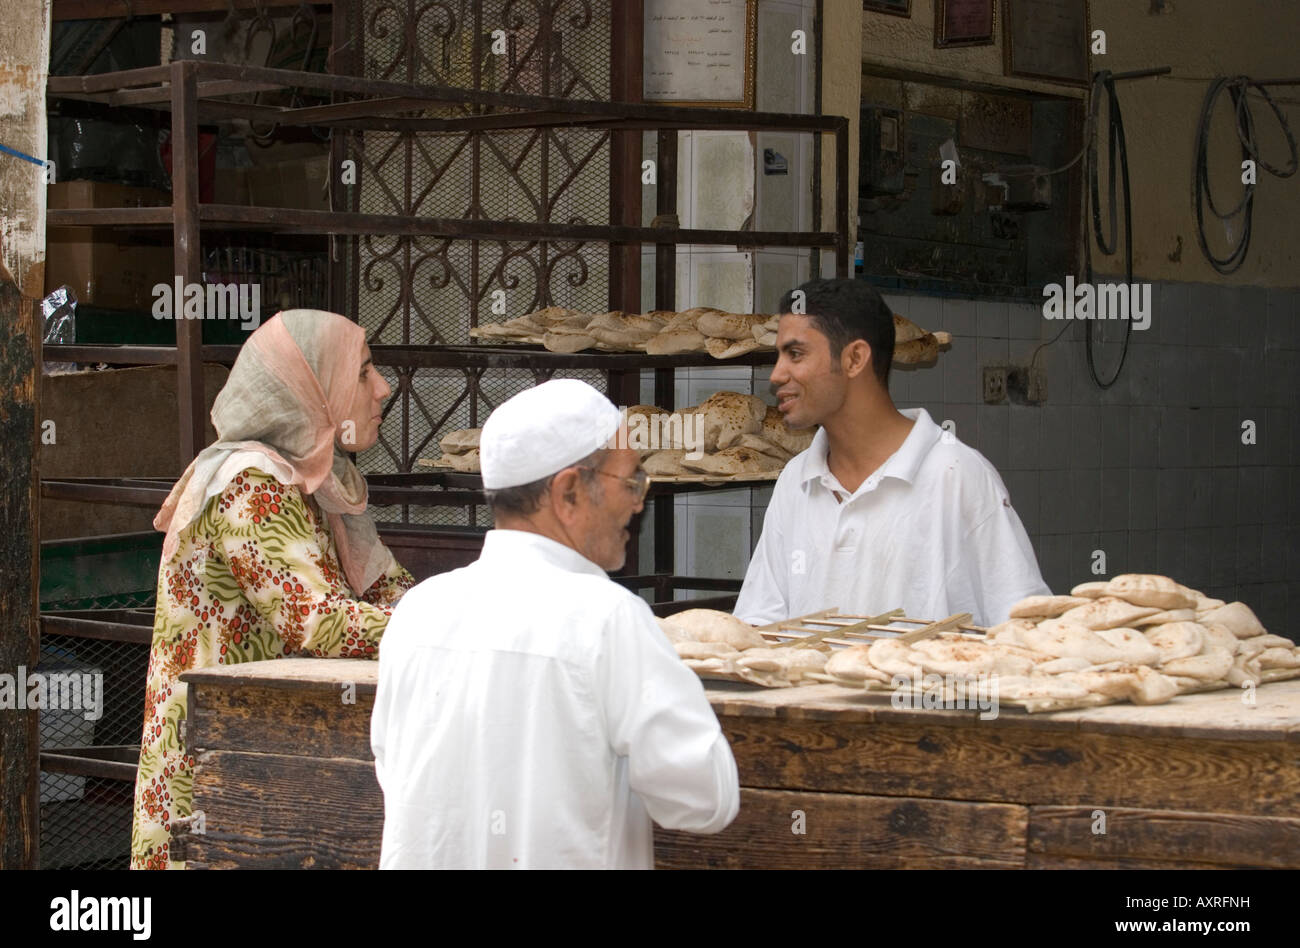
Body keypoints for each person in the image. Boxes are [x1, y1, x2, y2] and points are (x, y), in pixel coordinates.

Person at [371, 378, 739, 869]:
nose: (638, 501)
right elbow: (704, 800)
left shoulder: (419, 611)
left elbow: (395, 770)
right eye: (630, 480)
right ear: (568, 491)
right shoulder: (609, 619)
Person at [130, 309, 415, 870]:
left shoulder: (316, 480)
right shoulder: (251, 483)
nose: (383, 388)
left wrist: (467, 611)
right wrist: (458, 627)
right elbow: (319, 621)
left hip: (260, 745)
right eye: (363, 371)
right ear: (316, 388)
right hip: (216, 755)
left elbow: (388, 588)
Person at [733, 278, 1048, 629]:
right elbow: (761, 621)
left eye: (795, 354)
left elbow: (1023, 627)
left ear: (854, 358)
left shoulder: (956, 474)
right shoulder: (797, 478)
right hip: (810, 687)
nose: (777, 375)